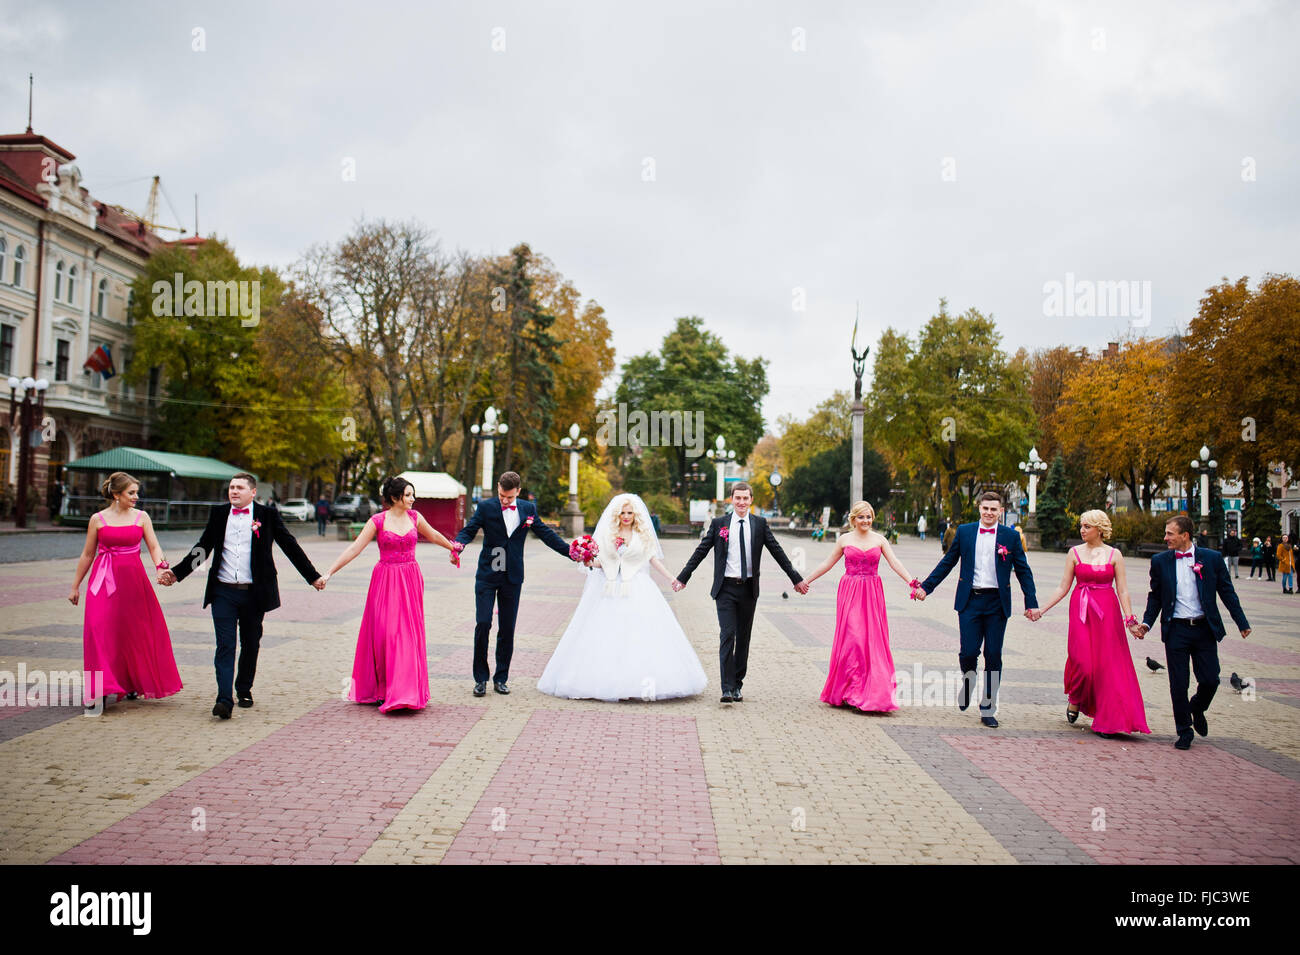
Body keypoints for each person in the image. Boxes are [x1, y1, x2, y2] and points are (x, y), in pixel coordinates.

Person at [161, 472, 324, 719]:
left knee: (250, 642)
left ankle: (244, 688)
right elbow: (203, 547)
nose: (234, 491)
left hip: (254, 593)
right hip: (223, 591)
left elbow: (289, 545)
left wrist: (312, 576)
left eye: (239, 488)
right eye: (231, 487)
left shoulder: (266, 516)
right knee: (225, 645)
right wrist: (176, 573)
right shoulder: (218, 514)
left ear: (253, 492)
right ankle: (224, 699)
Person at [538, 493, 706, 701]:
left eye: (630, 513)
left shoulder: (642, 534)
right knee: (605, 634)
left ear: (635, 515)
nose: (626, 516)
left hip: (637, 586)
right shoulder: (608, 534)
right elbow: (602, 561)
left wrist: (672, 578)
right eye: (623, 513)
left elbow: (652, 560)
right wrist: (588, 561)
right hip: (609, 588)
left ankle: (639, 684)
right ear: (618, 514)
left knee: (640, 635)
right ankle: (603, 681)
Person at [322, 477, 458, 713]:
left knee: (406, 635)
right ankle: (382, 689)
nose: (413, 498)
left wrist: (452, 548)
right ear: (394, 498)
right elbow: (355, 548)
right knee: (386, 634)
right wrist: (329, 572)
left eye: (412, 494)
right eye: (408, 495)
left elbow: (434, 535)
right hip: (385, 581)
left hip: (410, 579)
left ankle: (404, 692)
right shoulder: (378, 521)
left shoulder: (415, 518)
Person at [673, 482, 807, 703]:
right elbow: (701, 551)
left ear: (751, 500)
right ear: (731, 500)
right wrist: (683, 577)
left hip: (748, 589)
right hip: (725, 588)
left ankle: (737, 684)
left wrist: (796, 579)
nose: (742, 502)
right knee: (727, 635)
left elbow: (778, 553)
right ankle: (726, 688)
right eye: (738, 498)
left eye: (745, 498)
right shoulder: (719, 525)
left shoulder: (760, 524)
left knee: (743, 638)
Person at [915, 491, 1038, 728]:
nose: (989, 513)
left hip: (996, 603)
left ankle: (988, 707)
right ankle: (969, 680)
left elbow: (1023, 570)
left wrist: (1030, 602)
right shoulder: (965, 532)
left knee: (993, 654)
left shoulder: (1010, 537)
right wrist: (926, 588)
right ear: (979, 509)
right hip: (970, 601)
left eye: (994, 509)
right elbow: (948, 562)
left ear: (1000, 511)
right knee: (968, 652)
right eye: (985, 509)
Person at [1130, 515, 1250, 750]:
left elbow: (1227, 592)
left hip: (1204, 629)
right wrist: (1146, 623)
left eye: (1170, 534)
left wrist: (1242, 622)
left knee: (1210, 679)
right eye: (1165, 533)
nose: (1165, 538)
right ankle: (1184, 730)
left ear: (1185, 535)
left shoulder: (1212, 559)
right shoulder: (1160, 561)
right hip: (1176, 629)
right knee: (1178, 683)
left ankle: (1197, 707)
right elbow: (1155, 596)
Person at [453, 470, 576, 697]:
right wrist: (458, 545)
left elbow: (546, 535)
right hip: (488, 575)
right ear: (498, 488)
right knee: (483, 623)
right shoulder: (486, 507)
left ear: (518, 492)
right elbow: (469, 530)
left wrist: (571, 552)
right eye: (502, 495)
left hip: (513, 576)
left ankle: (501, 678)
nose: (505, 500)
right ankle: (480, 679)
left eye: (509, 497)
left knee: (507, 629)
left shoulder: (528, 510)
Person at [1029, 510, 1149, 737]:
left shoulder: (1115, 555)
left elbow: (1122, 590)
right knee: (1083, 664)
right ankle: (1075, 696)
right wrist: (1041, 610)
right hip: (1081, 613)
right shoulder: (1074, 553)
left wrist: (1130, 619)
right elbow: (1063, 587)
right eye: (1081, 526)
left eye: (1087, 526)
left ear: (1099, 529)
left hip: (1108, 614)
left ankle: (1109, 719)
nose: (1082, 530)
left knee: (1108, 667)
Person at [67, 472, 181, 709]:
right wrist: (75, 585)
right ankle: (98, 690)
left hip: (133, 582)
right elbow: (88, 554)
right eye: (131, 493)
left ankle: (130, 682)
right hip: (103, 582)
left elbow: (154, 546)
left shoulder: (142, 517)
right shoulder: (97, 519)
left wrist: (161, 568)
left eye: (136, 492)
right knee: (98, 631)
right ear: (116, 495)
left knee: (131, 633)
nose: (136, 497)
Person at [803, 501, 917, 712]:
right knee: (853, 638)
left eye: (869, 517)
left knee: (872, 642)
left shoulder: (880, 540)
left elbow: (895, 563)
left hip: (872, 592)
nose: (866, 521)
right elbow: (828, 563)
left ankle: (870, 693)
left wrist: (912, 582)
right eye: (861, 517)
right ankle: (850, 691)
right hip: (850, 591)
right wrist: (806, 580)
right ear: (853, 519)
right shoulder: (844, 539)